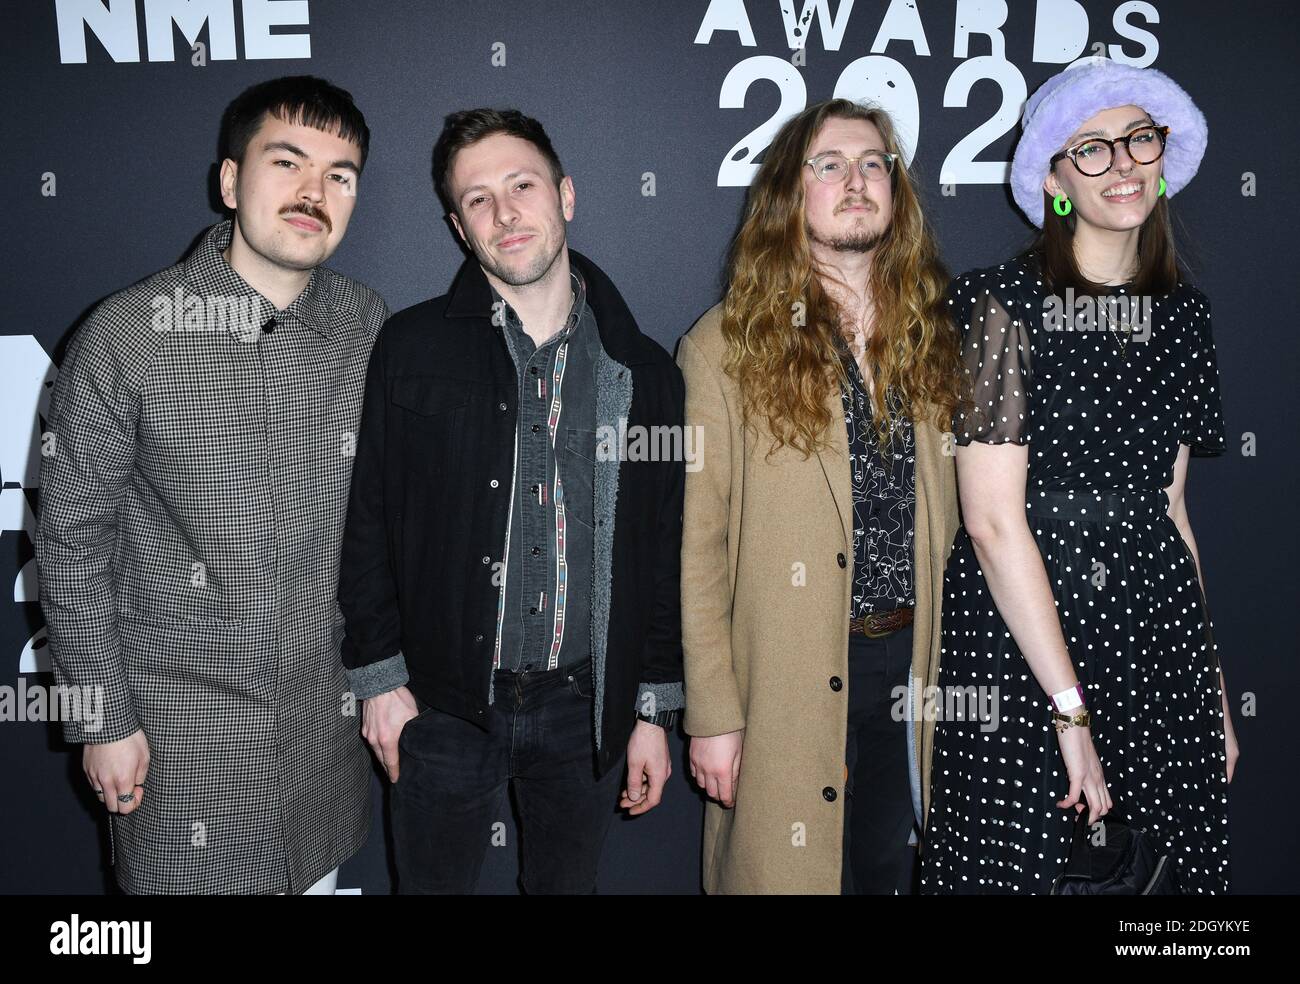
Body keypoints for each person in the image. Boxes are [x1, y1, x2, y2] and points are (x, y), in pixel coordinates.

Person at [35, 76, 387, 894]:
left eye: (341, 174)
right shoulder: (127, 335)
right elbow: (71, 544)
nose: (314, 192)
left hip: (322, 743)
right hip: (175, 746)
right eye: (287, 161)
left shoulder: (368, 324)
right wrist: (102, 719)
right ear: (230, 181)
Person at [338, 108, 685, 894]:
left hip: (584, 704)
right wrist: (381, 684)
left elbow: (660, 554)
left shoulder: (644, 370)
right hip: (442, 705)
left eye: (521, 185)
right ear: (460, 229)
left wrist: (652, 713)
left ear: (566, 195)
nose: (505, 213)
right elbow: (366, 524)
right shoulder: (411, 346)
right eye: (478, 199)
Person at [920, 59, 1237, 894]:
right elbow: (991, 522)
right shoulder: (999, 304)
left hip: (1157, 635)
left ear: (1164, 156)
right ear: (1054, 179)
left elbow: (1173, 510)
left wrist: (1210, 687)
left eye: (1137, 139)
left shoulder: (1186, 313)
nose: (1122, 164)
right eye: (1090, 150)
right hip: (1027, 641)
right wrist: (1072, 713)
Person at [679, 98, 963, 894]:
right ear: (786, 194)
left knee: (881, 869)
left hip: (916, 663)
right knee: (783, 876)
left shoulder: (937, 334)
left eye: (875, 164)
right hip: (786, 672)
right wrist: (713, 713)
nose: (857, 181)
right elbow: (697, 550)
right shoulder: (723, 346)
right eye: (828, 165)